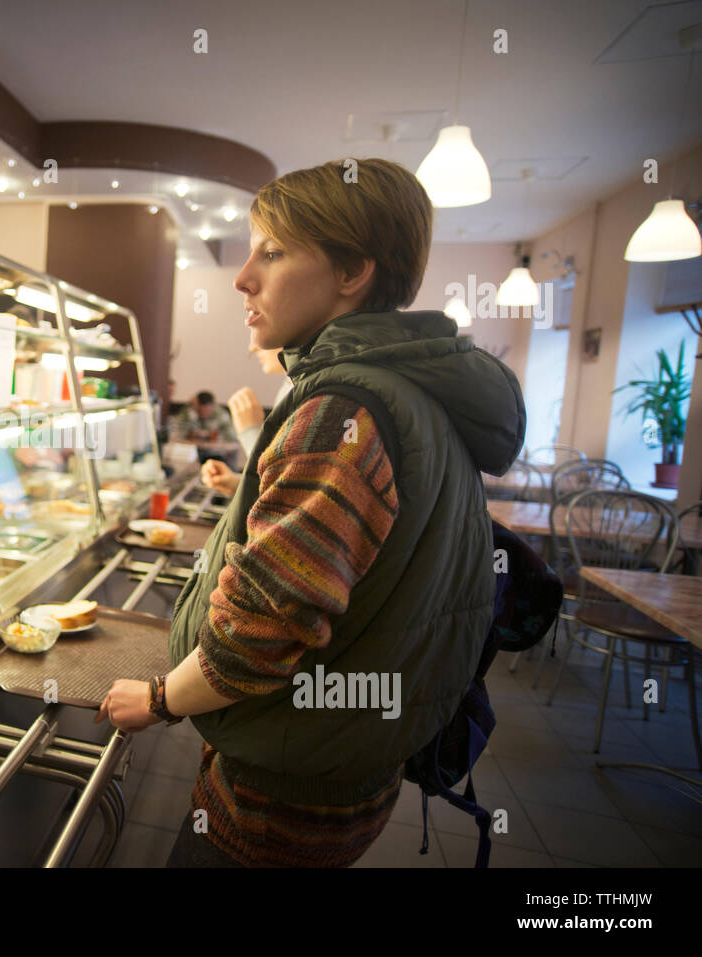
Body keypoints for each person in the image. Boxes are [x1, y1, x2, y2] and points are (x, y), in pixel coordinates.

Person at [95, 157, 524, 867]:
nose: (242, 277)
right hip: (338, 761)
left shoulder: (344, 410)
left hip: (283, 793)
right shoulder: (399, 392)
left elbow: (264, 625)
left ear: (352, 270)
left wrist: (164, 697)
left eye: (271, 252)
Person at [203, 344, 293, 496]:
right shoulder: (288, 386)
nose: (253, 348)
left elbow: (284, 494)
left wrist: (250, 431)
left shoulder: (309, 393)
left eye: (262, 322)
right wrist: (236, 484)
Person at [170, 390, 237, 445]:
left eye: (207, 411)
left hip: (216, 452)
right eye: (201, 410)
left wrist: (212, 436)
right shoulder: (190, 412)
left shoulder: (221, 415)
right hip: (192, 450)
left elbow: (232, 436)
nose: (204, 413)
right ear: (196, 405)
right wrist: (191, 434)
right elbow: (175, 432)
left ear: (212, 406)